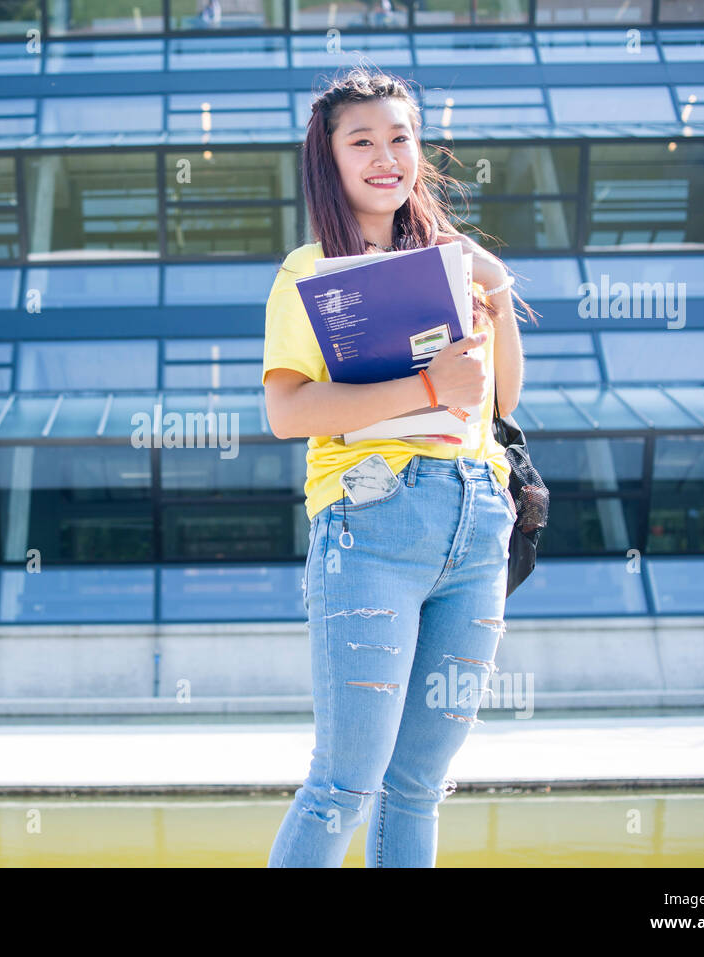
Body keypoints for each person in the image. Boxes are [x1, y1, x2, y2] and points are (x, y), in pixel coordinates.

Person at [263, 65, 538, 867]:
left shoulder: (449, 264)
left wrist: (496, 290)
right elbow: (286, 411)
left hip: (479, 517)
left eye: (400, 137)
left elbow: (500, 400)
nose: (386, 155)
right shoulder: (308, 271)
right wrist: (424, 384)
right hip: (373, 521)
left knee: (417, 784)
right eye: (363, 141)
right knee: (345, 783)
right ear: (331, 158)